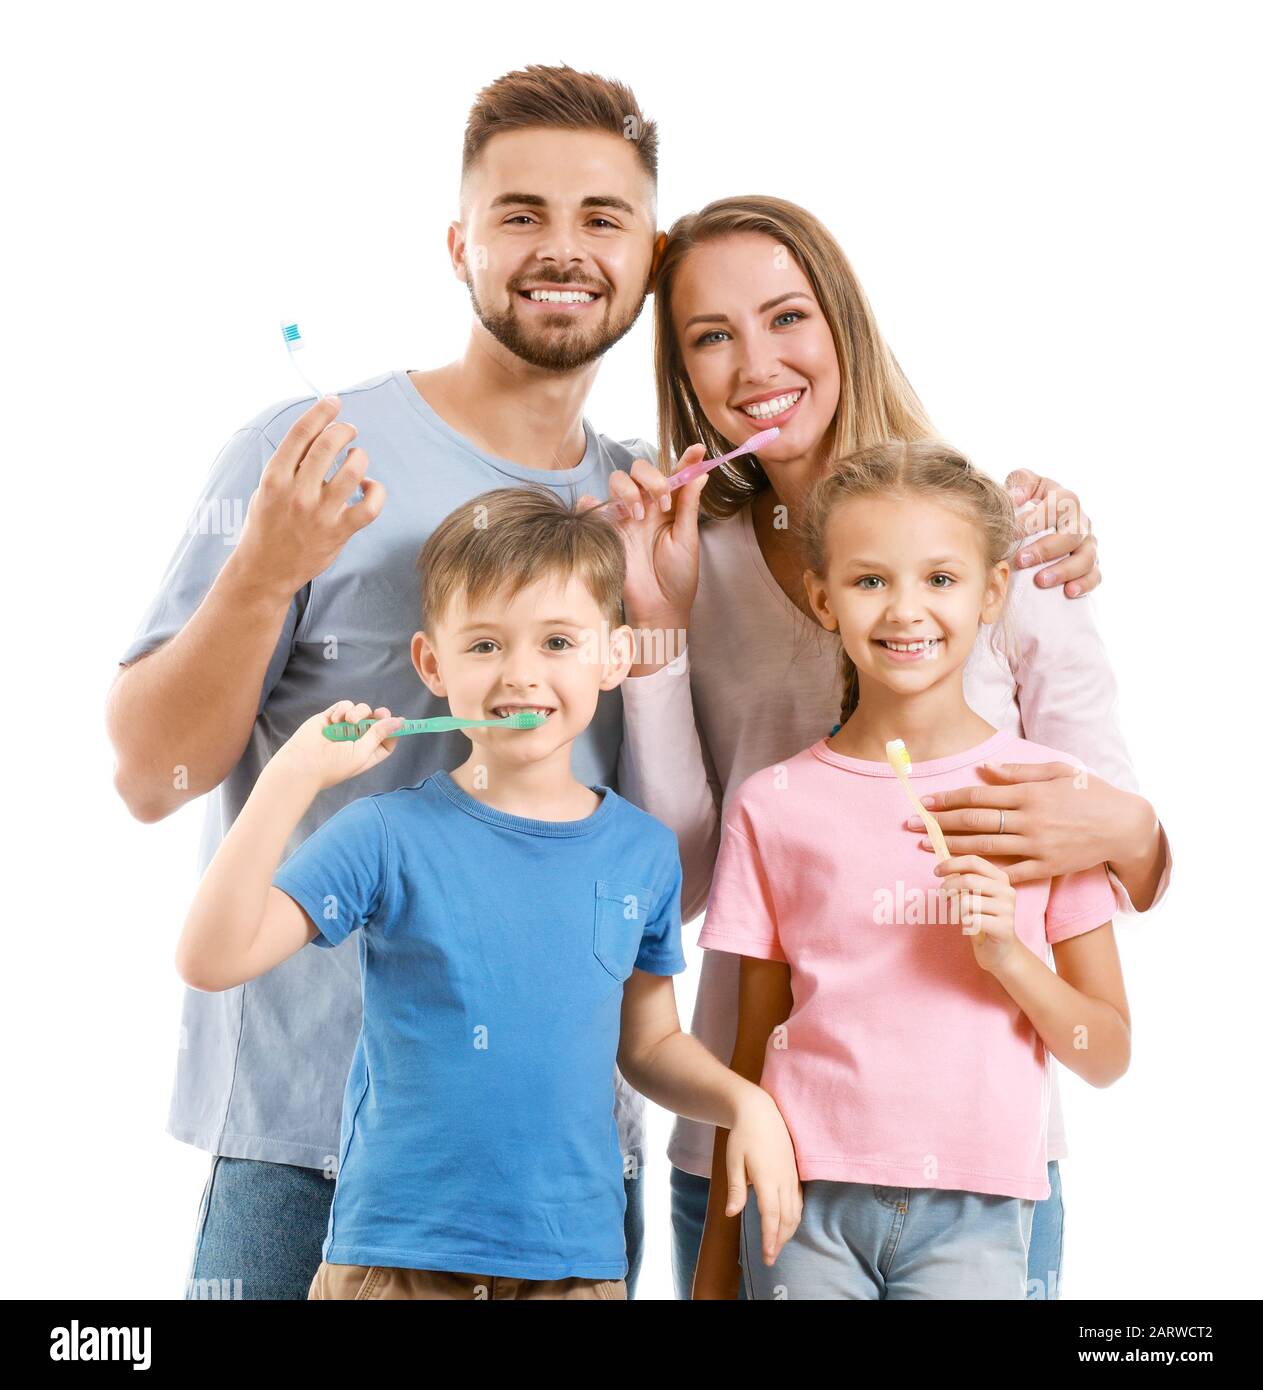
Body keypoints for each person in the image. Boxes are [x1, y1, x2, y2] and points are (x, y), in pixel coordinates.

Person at [106, 64, 679, 1300]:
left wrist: (1037, 541)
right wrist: (264, 570)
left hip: (563, 1176)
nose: (561, 249)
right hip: (309, 1151)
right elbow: (150, 779)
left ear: (650, 250)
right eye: (520, 214)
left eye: (602, 218)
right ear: (460, 242)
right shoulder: (305, 457)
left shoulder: (649, 508)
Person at [589, 196, 1170, 1299]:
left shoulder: (1003, 541)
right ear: (681, 372)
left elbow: (1124, 843)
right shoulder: (684, 557)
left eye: (786, 316)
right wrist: (656, 635)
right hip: (752, 1145)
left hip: (983, 1171)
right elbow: (680, 884)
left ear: (843, 323)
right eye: (710, 336)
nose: (755, 362)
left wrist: (1066, 867)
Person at [175, 486, 801, 1300]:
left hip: (574, 1269)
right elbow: (211, 956)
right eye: (484, 646)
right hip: (393, 1260)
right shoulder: (383, 835)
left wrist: (740, 1101)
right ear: (431, 664)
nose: (521, 675)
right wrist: (290, 778)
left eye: (557, 642)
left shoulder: (642, 852)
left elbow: (647, 1047)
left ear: (613, 657)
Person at [691, 439, 1130, 1299]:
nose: (905, 611)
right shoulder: (773, 805)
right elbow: (749, 1055)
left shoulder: (1042, 801)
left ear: (992, 592)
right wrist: (711, 1276)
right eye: (868, 581)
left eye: (939, 579)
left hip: (979, 1208)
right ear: (823, 597)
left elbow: (1105, 1052)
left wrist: (1007, 958)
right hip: (800, 1202)